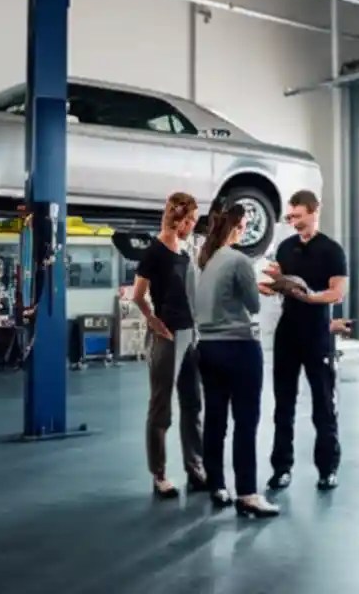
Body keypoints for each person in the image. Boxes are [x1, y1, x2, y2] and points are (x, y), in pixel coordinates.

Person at [193, 202, 280, 518]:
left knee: (215, 419)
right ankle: (247, 494)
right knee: (246, 421)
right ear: (240, 227)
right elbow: (254, 305)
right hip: (239, 348)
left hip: (208, 348)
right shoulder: (240, 260)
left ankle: (217, 484)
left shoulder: (208, 261)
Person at [261, 190, 348, 492]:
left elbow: (337, 293)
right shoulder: (285, 248)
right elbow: (283, 284)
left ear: (315, 211)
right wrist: (273, 285)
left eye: (299, 216)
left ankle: (327, 469)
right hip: (288, 333)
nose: (294, 222)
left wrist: (310, 297)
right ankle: (281, 469)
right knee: (283, 405)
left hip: (317, 334)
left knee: (323, 403)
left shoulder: (332, 251)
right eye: (291, 217)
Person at [132, 192, 206, 500]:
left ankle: (196, 466)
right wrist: (153, 321)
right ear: (178, 219)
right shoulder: (155, 252)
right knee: (161, 407)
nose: (192, 226)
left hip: (190, 334)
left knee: (193, 403)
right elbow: (137, 295)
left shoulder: (184, 252)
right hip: (168, 336)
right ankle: (159, 475)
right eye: (190, 220)